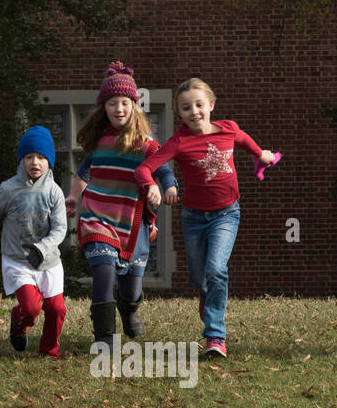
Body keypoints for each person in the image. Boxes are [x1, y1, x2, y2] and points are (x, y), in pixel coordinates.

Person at [135, 78, 277, 359]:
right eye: (186, 108)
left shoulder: (228, 129)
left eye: (199, 105)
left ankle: (215, 336)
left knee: (215, 270)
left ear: (211, 105)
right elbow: (144, 169)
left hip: (227, 214)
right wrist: (155, 185)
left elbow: (244, 140)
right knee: (200, 276)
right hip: (194, 218)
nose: (194, 112)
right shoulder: (179, 142)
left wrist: (261, 155)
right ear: (180, 113)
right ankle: (208, 296)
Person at [67, 62, 177, 348]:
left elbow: (163, 169)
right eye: (112, 103)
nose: (119, 109)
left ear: (134, 106)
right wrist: (72, 198)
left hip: (132, 224)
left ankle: (129, 310)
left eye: (125, 103)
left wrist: (164, 187)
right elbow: (84, 172)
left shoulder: (146, 144)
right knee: (103, 271)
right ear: (103, 107)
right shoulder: (98, 142)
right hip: (97, 216)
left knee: (130, 289)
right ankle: (104, 339)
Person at [0, 126, 68, 358]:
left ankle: (49, 351)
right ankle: (18, 321)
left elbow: (60, 228)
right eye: (29, 157)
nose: (35, 162)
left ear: (50, 161)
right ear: (21, 159)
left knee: (56, 308)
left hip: (49, 261)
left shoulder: (55, 192)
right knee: (31, 308)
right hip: (18, 260)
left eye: (42, 157)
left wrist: (43, 248)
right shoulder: (8, 189)